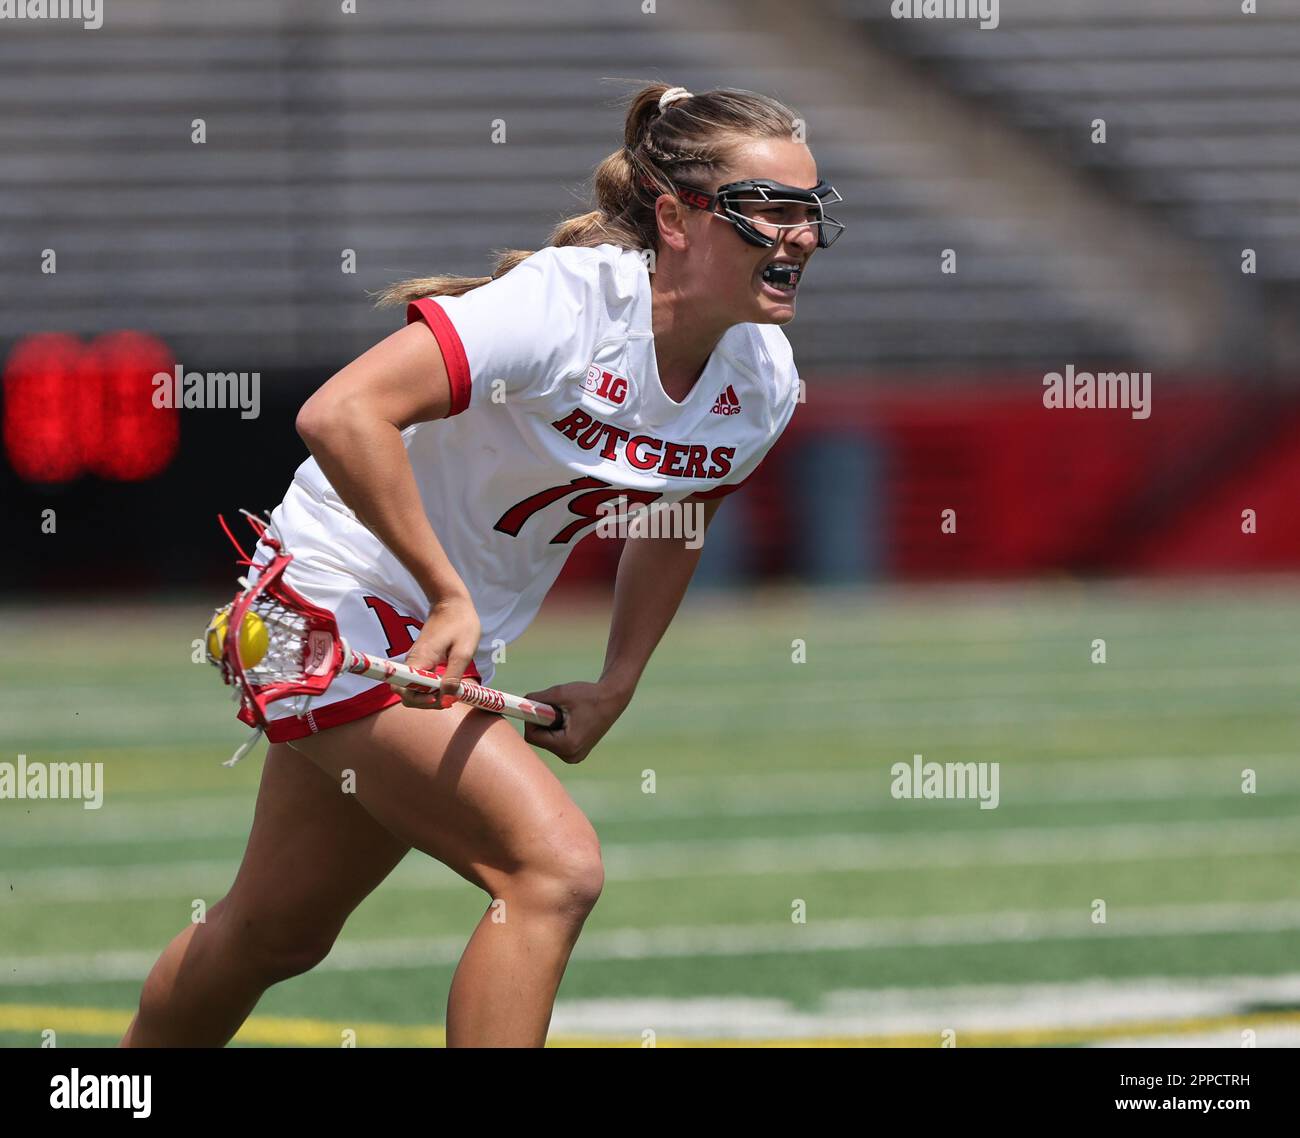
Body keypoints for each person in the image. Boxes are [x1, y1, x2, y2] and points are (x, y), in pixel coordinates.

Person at [120, 81, 845, 1048]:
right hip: (334, 600)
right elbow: (340, 413)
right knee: (554, 870)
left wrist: (619, 680)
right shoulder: (569, 302)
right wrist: (451, 592)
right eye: (768, 209)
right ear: (676, 217)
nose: (796, 235)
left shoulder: (760, 380)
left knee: (271, 932)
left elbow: (678, 518)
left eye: (809, 209)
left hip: (433, 637)